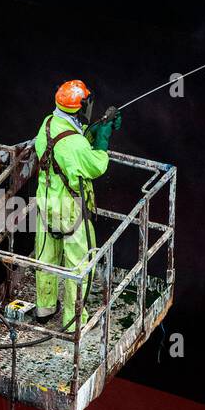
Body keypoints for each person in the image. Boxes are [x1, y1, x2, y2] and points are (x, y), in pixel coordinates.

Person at [32, 79, 121, 332]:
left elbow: (67, 145)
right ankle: (74, 321)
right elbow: (95, 166)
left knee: (46, 258)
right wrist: (102, 141)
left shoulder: (48, 123)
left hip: (46, 205)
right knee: (78, 266)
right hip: (70, 211)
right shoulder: (76, 144)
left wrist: (92, 130)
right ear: (81, 106)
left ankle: (45, 308)